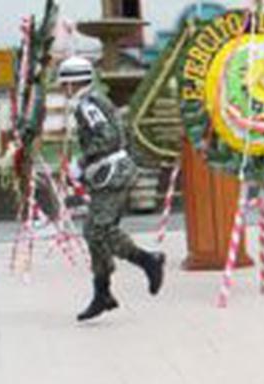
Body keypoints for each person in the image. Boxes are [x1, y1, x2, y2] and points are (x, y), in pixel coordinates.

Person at [58, 56, 165, 322]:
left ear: (73, 83)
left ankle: (148, 260)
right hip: (113, 173)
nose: (62, 90)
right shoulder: (94, 100)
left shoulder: (87, 105)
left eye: (64, 84)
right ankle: (102, 293)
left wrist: (81, 163)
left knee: (99, 230)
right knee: (95, 232)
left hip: (111, 175)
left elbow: (108, 137)